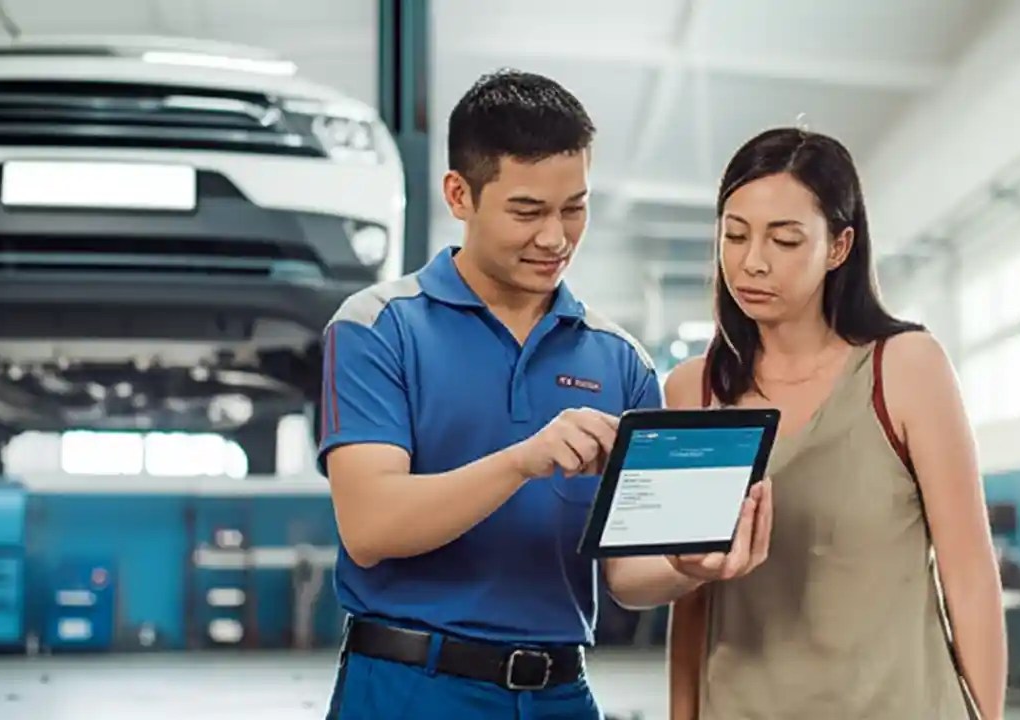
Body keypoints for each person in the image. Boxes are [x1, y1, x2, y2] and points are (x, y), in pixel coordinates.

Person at [317, 69, 773, 720]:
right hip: (407, 689)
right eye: (527, 211)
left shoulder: (618, 360)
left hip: (561, 695)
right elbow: (370, 526)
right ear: (459, 194)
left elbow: (627, 578)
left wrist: (694, 562)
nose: (555, 238)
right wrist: (521, 461)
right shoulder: (377, 327)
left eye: (574, 208)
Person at [664, 127, 1007, 720]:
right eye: (735, 235)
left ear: (839, 246)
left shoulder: (904, 369)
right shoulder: (695, 390)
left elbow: (970, 575)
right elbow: (691, 596)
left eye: (786, 240)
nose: (753, 261)